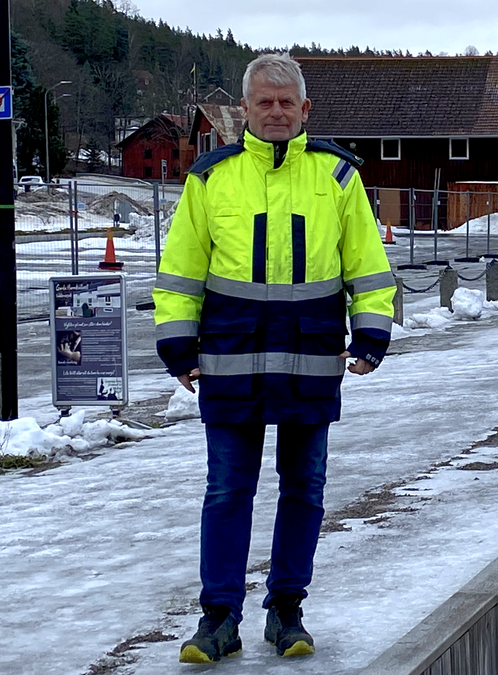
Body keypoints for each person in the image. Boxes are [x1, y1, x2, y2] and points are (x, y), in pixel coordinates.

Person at [153, 53, 395, 664]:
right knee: (227, 491)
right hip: (230, 360)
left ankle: (286, 609)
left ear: (305, 109)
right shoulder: (210, 178)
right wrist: (177, 346)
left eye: (287, 102)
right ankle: (219, 618)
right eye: (265, 101)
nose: (277, 111)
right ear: (245, 109)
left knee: (304, 488)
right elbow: (180, 271)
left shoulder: (338, 177)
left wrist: (371, 333)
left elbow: (368, 265)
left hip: (310, 358)